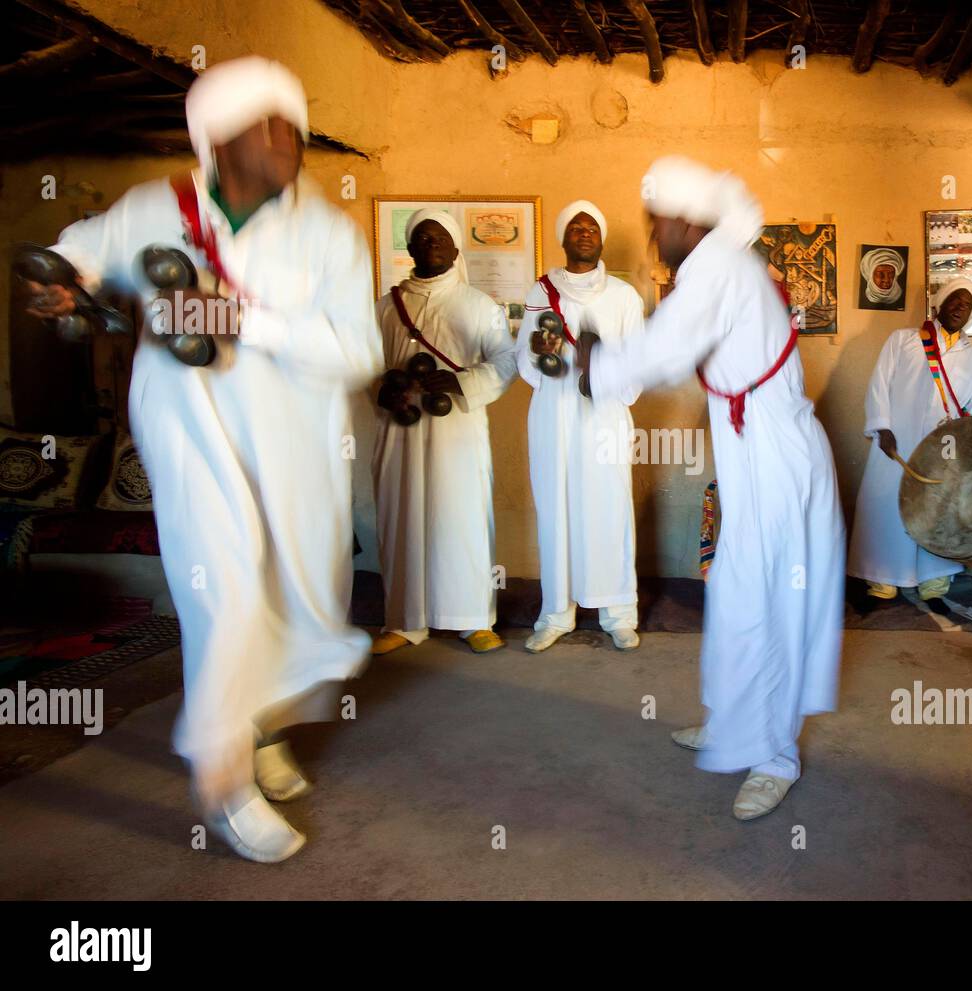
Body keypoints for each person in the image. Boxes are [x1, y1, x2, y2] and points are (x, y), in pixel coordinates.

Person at [22, 56, 384, 862]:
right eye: (265, 122)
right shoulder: (157, 206)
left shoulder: (329, 233)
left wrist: (240, 320)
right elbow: (86, 250)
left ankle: (256, 731)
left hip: (298, 444)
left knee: (298, 595)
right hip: (191, 428)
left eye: (291, 122)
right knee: (222, 584)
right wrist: (65, 281)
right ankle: (224, 785)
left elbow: (357, 354)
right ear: (216, 138)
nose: (286, 137)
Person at [577, 156, 844, 821]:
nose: (650, 234)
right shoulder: (715, 267)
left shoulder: (718, 267)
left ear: (686, 221)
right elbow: (673, 344)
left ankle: (775, 754)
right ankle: (734, 721)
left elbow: (663, 350)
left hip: (776, 458)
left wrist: (597, 365)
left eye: (656, 220)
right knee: (734, 588)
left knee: (773, 600)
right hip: (755, 449)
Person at [370, 210, 517, 657]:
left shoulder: (478, 305)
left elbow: (507, 362)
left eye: (440, 238)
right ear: (410, 249)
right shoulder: (385, 306)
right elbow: (362, 365)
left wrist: (461, 382)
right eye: (421, 238)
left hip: (458, 433)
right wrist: (382, 392)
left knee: (462, 520)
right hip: (400, 434)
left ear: (456, 250)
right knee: (402, 520)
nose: (431, 243)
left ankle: (473, 618)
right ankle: (403, 620)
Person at [847, 277, 972, 602]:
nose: (960, 307)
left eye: (967, 304)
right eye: (955, 300)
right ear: (939, 304)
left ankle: (934, 576)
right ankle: (884, 574)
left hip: (941, 449)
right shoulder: (902, 340)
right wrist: (881, 426)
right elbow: (879, 385)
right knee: (888, 502)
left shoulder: (970, 358)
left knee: (935, 508)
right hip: (897, 442)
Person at [516, 200, 645, 653]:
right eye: (576, 227)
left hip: (605, 417)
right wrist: (541, 351)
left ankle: (618, 614)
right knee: (556, 510)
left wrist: (601, 363)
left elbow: (637, 370)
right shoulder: (540, 291)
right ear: (563, 237)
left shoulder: (624, 297)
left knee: (610, 509)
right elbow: (527, 366)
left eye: (592, 226)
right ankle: (556, 614)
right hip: (553, 417)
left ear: (602, 238)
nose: (584, 233)